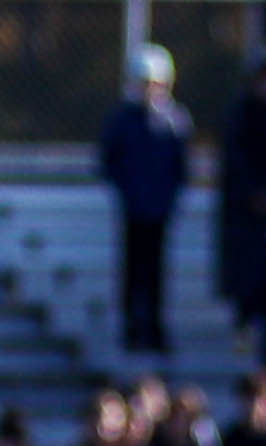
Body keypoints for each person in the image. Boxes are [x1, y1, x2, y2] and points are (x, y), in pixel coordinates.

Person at [99, 42, 194, 354]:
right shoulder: (122, 120)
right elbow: (108, 162)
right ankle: (131, 328)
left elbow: (181, 168)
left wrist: (168, 198)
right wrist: (128, 191)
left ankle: (155, 328)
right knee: (132, 270)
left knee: (156, 272)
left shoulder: (174, 121)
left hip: (160, 210)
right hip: (133, 208)